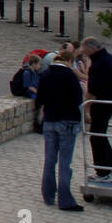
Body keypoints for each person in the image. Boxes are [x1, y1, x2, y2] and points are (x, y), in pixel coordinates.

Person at [36, 46, 85, 211]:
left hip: (50, 120)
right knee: (65, 162)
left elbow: (40, 98)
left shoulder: (46, 74)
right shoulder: (69, 76)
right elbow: (78, 98)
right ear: (69, 61)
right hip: (68, 121)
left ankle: (48, 195)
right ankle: (65, 200)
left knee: (49, 160)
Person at [81, 36, 112, 179]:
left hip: (101, 104)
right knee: (100, 133)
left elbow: (92, 90)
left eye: (84, 48)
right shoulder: (111, 58)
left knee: (96, 136)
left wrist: (85, 107)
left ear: (91, 48)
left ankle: (103, 172)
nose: (83, 51)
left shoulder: (98, 64)